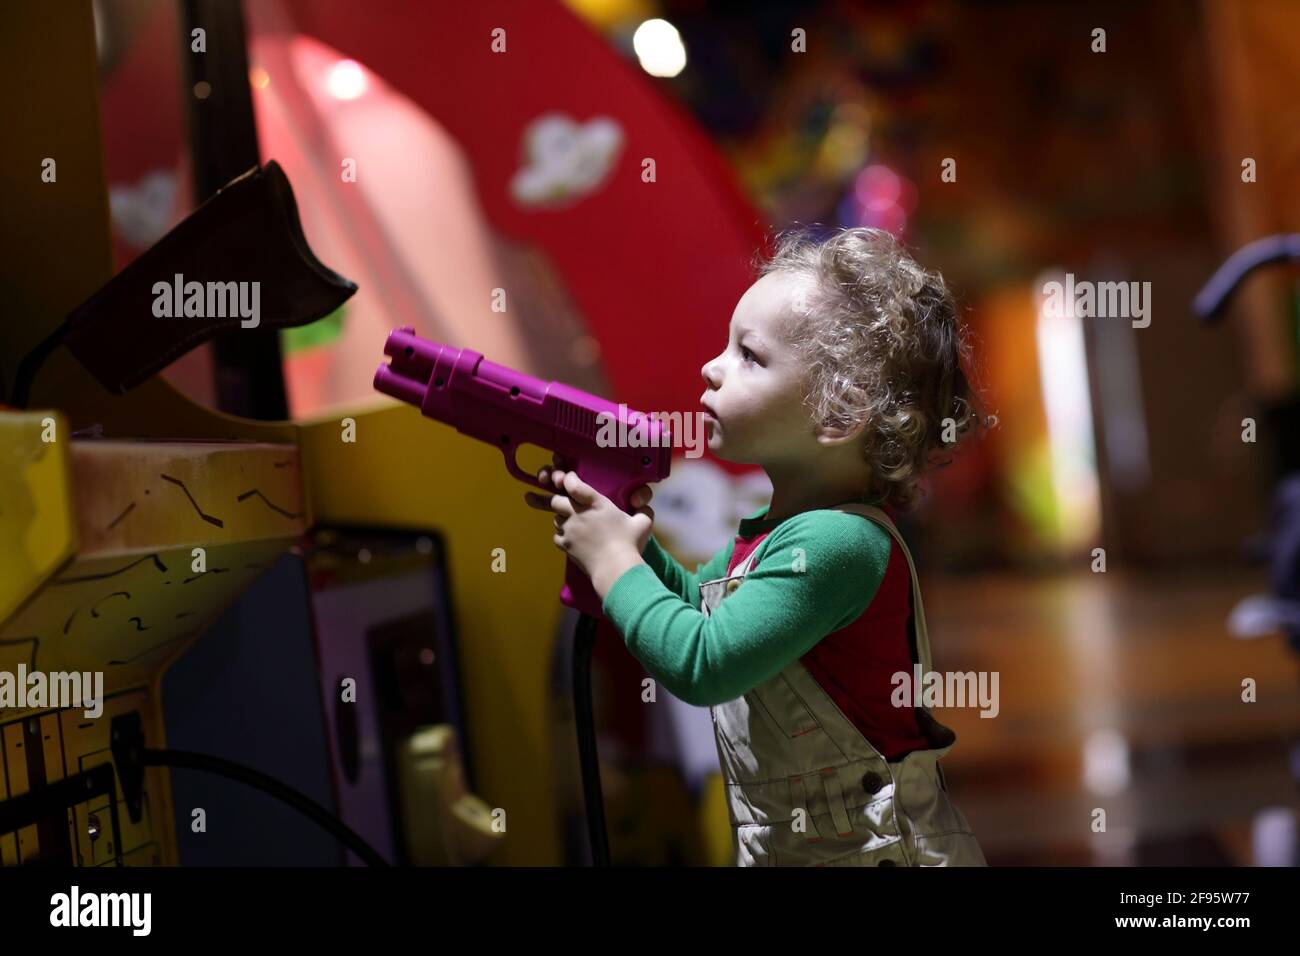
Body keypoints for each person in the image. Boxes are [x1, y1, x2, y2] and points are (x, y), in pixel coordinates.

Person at [525, 226, 988, 866]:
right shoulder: (775, 532)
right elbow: (698, 612)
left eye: (749, 355)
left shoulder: (838, 544)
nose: (710, 367)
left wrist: (613, 559)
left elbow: (706, 662)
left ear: (838, 411)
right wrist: (627, 536)